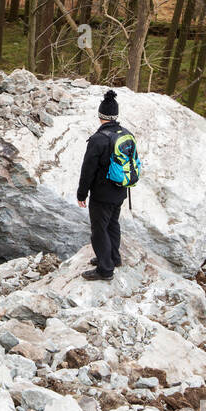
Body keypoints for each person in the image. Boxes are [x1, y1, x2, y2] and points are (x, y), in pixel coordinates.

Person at [76, 89, 128, 281]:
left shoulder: (98, 140)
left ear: (100, 115)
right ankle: (113, 258)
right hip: (121, 190)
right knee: (112, 224)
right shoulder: (125, 134)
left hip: (102, 194)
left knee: (99, 230)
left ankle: (105, 269)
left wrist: (82, 194)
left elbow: (87, 170)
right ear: (116, 115)